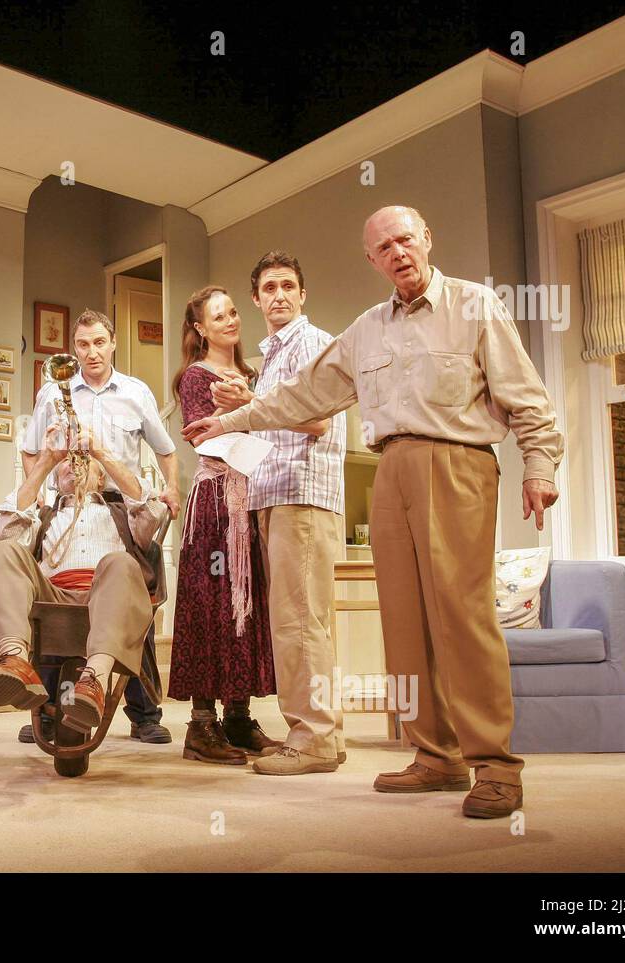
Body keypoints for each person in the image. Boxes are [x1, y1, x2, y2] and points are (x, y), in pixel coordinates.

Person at [187, 205, 563, 818]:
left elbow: (526, 395)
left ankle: (495, 764)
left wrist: (540, 466)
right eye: (384, 247)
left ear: (426, 239)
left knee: (462, 615)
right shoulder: (365, 330)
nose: (398, 253)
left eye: (405, 240)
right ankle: (435, 755)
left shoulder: (474, 306)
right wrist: (229, 420)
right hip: (391, 468)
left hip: (459, 462)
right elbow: (302, 395)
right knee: (404, 621)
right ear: (372, 260)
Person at [18, 308, 178, 744]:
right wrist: (41, 485)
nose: (91, 352)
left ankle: (144, 713)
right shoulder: (52, 392)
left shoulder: (136, 392)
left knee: (128, 588)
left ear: (112, 344)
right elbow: (31, 449)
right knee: (49, 594)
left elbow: (165, 450)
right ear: (74, 348)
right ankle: (47, 704)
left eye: (98, 343)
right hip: (67, 506)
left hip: (121, 507)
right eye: (82, 344)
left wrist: (173, 489)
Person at [218, 253, 348, 777]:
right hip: (274, 493)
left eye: (288, 285)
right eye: (269, 287)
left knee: (299, 620)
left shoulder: (312, 344)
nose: (279, 295)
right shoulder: (273, 354)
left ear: (302, 294)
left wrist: (253, 400)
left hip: (302, 493)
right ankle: (321, 734)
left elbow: (319, 422)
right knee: (301, 620)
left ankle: (312, 736)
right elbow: (276, 424)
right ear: (256, 299)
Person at [0, 426, 166, 733]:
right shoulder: (45, 517)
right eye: (67, 461)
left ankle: (93, 682)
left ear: (101, 479)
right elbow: (4, 531)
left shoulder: (122, 514)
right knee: (3, 552)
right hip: (53, 603)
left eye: (85, 461)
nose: (75, 463)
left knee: (119, 561)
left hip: (108, 601)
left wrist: (101, 453)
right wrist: (46, 461)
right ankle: (15, 662)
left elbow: (153, 511)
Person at [168, 286, 278, 765]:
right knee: (212, 603)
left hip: (251, 500)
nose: (231, 320)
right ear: (200, 328)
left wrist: (245, 415)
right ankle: (201, 724)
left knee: (247, 603)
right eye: (219, 315)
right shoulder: (196, 377)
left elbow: (274, 425)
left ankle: (237, 715)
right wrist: (246, 425)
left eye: (234, 311)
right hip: (215, 504)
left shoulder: (252, 375)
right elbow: (201, 439)